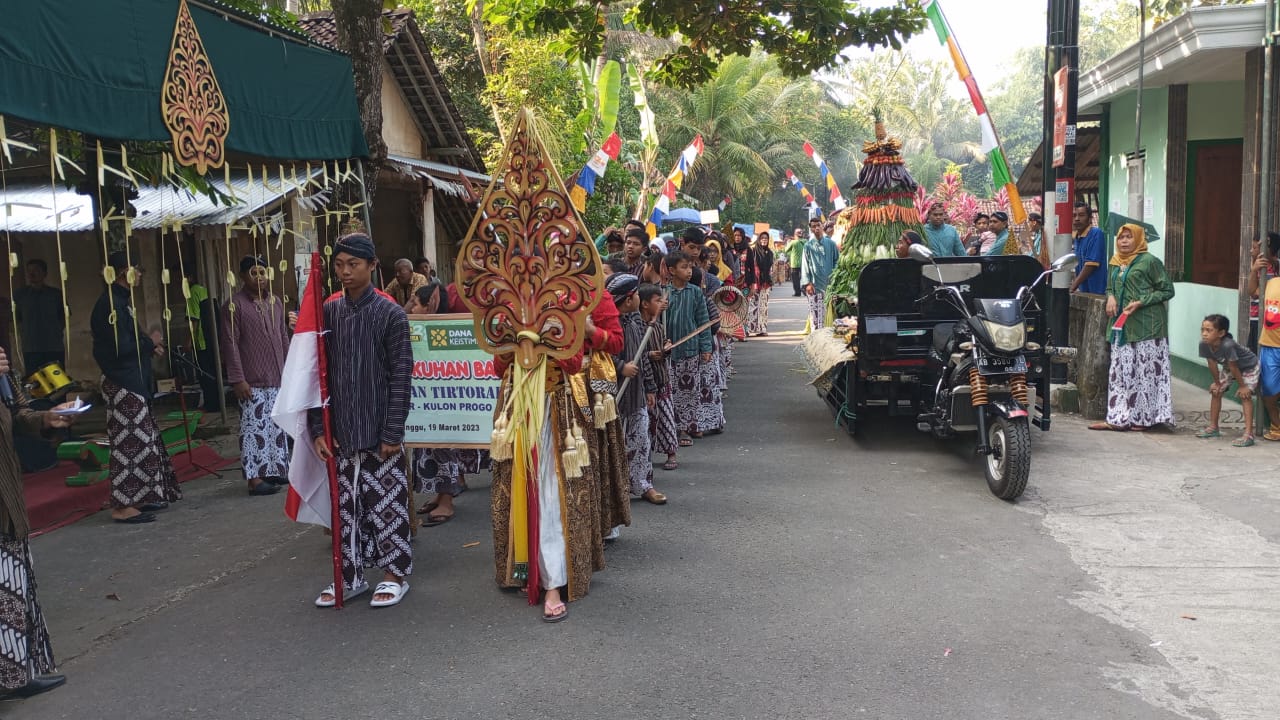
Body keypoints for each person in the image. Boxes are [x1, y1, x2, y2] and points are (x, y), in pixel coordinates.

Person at [309, 234, 413, 608]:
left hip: (378, 426)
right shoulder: (329, 312)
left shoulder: (390, 314)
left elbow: (402, 375)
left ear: (372, 266)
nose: (345, 272)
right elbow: (315, 373)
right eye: (339, 265)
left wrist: (393, 430)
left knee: (387, 503)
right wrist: (319, 429)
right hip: (340, 430)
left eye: (353, 264)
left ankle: (394, 574)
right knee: (345, 509)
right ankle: (348, 576)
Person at [0, 346, 75, 698]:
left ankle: (15, 672)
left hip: (6, 492)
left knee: (12, 583)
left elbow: (19, 412)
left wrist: (47, 418)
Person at [92, 251, 181, 524]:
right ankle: (123, 505)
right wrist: (149, 342)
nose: (140, 274)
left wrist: (147, 346)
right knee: (128, 445)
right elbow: (119, 349)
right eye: (136, 269)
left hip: (133, 379)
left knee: (142, 442)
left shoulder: (121, 302)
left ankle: (139, 497)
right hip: (122, 380)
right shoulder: (109, 305)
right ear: (122, 272)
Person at [1090, 224, 1175, 432]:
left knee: (1144, 375)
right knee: (1119, 372)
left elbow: (1167, 290)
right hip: (1122, 326)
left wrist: (1141, 301)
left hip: (1148, 326)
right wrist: (1110, 296)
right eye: (1121, 237)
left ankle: (1143, 419)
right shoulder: (1115, 262)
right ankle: (1117, 417)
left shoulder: (1150, 262)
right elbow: (1110, 285)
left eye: (1129, 237)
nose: (1124, 241)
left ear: (1138, 239)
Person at [220, 255, 289, 496]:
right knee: (253, 429)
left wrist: (289, 370)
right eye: (253, 273)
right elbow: (230, 344)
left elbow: (282, 337)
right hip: (251, 378)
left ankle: (273, 470)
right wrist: (238, 378)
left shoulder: (276, 302)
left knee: (275, 426)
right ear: (242, 277)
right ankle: (255, 479)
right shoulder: (234, 305)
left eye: (262, 272)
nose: (259, 278)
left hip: (277, 376)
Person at [607, 274, 665, 506]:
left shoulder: (636, 322)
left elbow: (643, 359)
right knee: (615, 444)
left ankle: (643, 484)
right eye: (637, 293)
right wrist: (621, 367)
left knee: (641, 442)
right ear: (629, 298)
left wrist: (650, 387)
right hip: (613, 397)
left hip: (637, 395)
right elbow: (599, 355)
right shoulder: (608, 323)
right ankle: (617, 490)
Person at [663, 251, 711, 444]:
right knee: (672, 390)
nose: (689, 271)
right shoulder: (664, 293)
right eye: (684, 267)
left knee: (690, 390)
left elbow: (703, 321)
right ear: (672, 270)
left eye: (690, 267)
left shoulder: (695, 292)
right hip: (669, 351)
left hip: (691, 349)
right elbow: (656, 322)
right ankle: (675, 427)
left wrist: (706, 347)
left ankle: (689, 426)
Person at [1196, 314, 1258, 447]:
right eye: (1202, 330)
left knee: (1245, 395)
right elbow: (1211, 363)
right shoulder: (1204, 344)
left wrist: (1242, 386)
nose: (1204, 334)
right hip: (1230, 366)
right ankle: (1213, 427)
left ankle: (1248, 434)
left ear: (1221, 333)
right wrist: (1217, 383)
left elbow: (1234, 367)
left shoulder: (1228, 345)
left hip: (1249, 367)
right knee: (1216, 391)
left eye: (1209, 330)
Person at [639, 285, 677, 471]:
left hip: (662, 380)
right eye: (657, 300)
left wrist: (666, 347)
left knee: (667, 418)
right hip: (645, 383)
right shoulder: (638, 328)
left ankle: (671, 453)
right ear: (645, 304)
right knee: (646, 423)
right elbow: (636, 355)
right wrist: (648, 355)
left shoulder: (659, 327)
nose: (662, 303)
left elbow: (664, 344)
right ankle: (645, 458)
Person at [1250, 231, 1280, 439]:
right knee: (1268, 389)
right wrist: (1253, 271)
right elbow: (1253, 291)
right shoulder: (1271, 282)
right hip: (1269, 345)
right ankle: (1277, 425)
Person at [13, 259, 65, 372]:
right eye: (29, 271)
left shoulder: (55, 295)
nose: (32, 273)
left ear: (44, 273)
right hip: (31, 348)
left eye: (36, 270)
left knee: (57, 382)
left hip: (53, 347)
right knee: (36, 385)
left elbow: (63, 316)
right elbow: (17, 318)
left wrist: (56, 331)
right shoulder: (20, 295)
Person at [184, 266, 222, 414]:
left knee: (204, 373)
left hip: (202, 339)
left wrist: (188, 341)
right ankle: (216, 403)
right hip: (213, 338)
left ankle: (211, 404)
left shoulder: (193, 292)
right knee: (212, 371)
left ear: (190, 278)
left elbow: (193, 319)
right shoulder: (204, 290)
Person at [800, 217, 839, 331]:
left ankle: (826, 340)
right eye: (813, 226)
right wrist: (807, 283)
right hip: (814, 285)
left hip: (830, 285)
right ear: (811, 229)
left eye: (818, 225)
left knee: (829, 314)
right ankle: (816, 338)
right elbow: (805, 265)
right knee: (815, 314)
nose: (816, 228)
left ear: (822, 226)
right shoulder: (808, 246)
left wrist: (835, 276)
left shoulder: (831, 244)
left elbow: (837, 260)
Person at [1070, 202, 1107, 294]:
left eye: (1081, 215)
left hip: (1097, 290)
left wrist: (1073, 286)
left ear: (1090, 218)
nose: (1077, 219)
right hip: (1084, 290)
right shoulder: (1077, 237)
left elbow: (1091, 264)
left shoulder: (1096, 233)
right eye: (1074, 216)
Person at [744, 232, 775, 336]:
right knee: (752, 305)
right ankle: (748, 328)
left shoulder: (770, 252)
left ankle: (762, 328)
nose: (764, 240)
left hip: (765, 282)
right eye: (762, 238)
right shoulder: (753, 251)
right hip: (755, 282)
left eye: (766, 238)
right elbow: (750, 267)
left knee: (763, 306)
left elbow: (770, 268)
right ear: (758, 239)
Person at [785, 229, 805, 296]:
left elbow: (786, 250)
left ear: (795, 234)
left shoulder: (793, 242)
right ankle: (804, 289)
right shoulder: (805, 241)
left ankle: (797, 292)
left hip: (795, 263)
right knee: (804, 277)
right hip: (804, 263)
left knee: (795, 279)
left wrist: (788, 243)